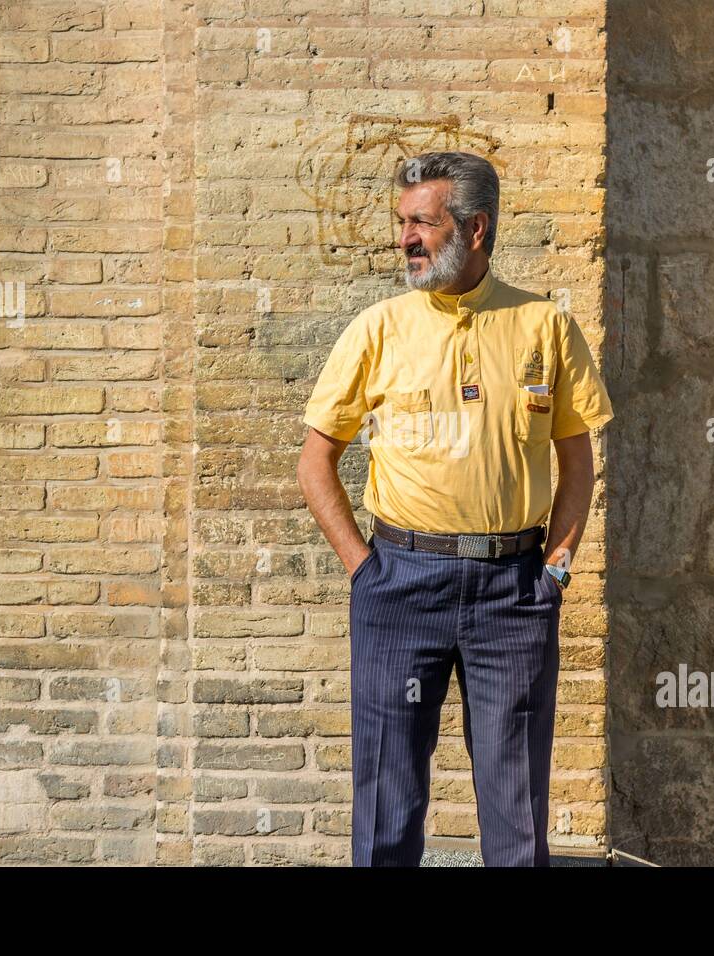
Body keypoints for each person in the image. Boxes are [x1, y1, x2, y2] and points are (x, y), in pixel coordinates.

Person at [296, 151, 614, 866]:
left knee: (517, 810)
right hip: (400, 585)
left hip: (514, 591)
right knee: (388, 804)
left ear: (476, 228)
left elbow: (577, 462)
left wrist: (554, 568)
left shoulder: (544, 327)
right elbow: (314, 461)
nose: (405, 238)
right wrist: (364, 570)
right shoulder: (378, 329)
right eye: (401, 223)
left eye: (422, 223)